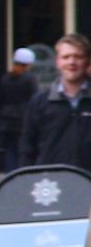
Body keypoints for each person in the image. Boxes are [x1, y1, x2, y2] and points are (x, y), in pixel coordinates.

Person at [20, 32, 91, 172]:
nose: (72, 62)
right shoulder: (40, 102)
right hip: (51, 181)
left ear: (87, 61)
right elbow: (27, 147)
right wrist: (27, 179)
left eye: (78, 57)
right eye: (66, 57)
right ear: (58, 62)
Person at [0, 48, 39, 167]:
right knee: (23, 149)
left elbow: (1, 98)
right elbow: (34, 98)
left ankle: (10, 173)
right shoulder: (30, 79)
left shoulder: (5, 78)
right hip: (23, 118)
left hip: (7, 119)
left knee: (10, 150)